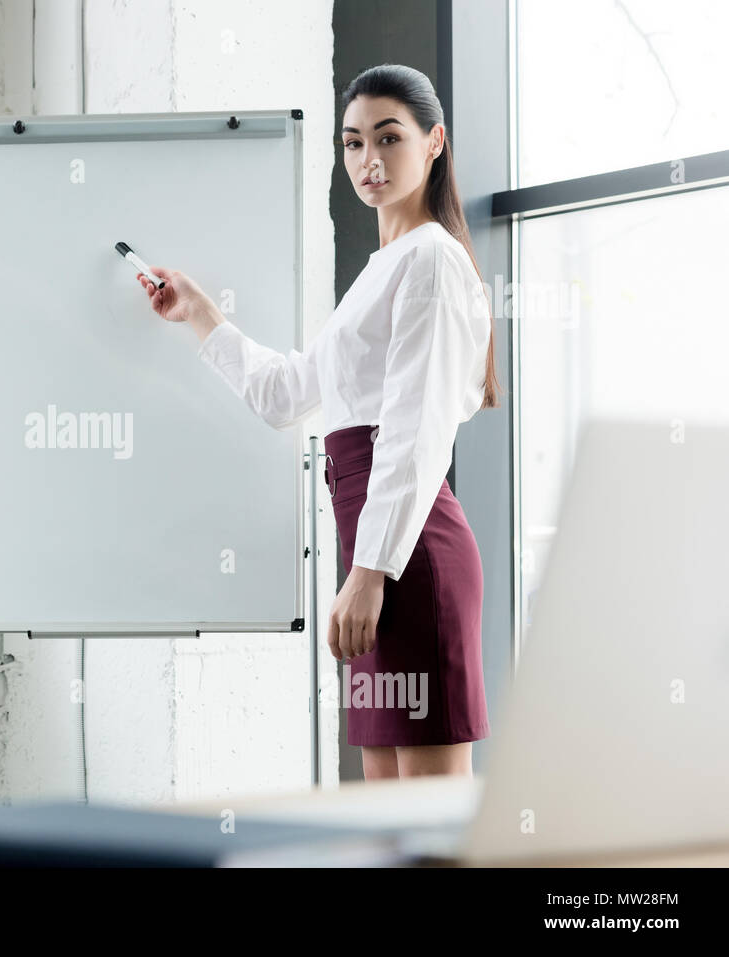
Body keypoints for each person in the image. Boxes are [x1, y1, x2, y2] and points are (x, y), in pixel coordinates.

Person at [137, 64, 504, 779]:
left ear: (434, 144)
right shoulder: (383, 267)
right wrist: (199, 311)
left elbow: (415, 429)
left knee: (427, 817)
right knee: (385, 811)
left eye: (389, 138)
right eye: (353, 142)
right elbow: (285, 395)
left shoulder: (430, 258)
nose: (369, 160)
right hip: (374, 552)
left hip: (406, 555)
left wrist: (370, 571)